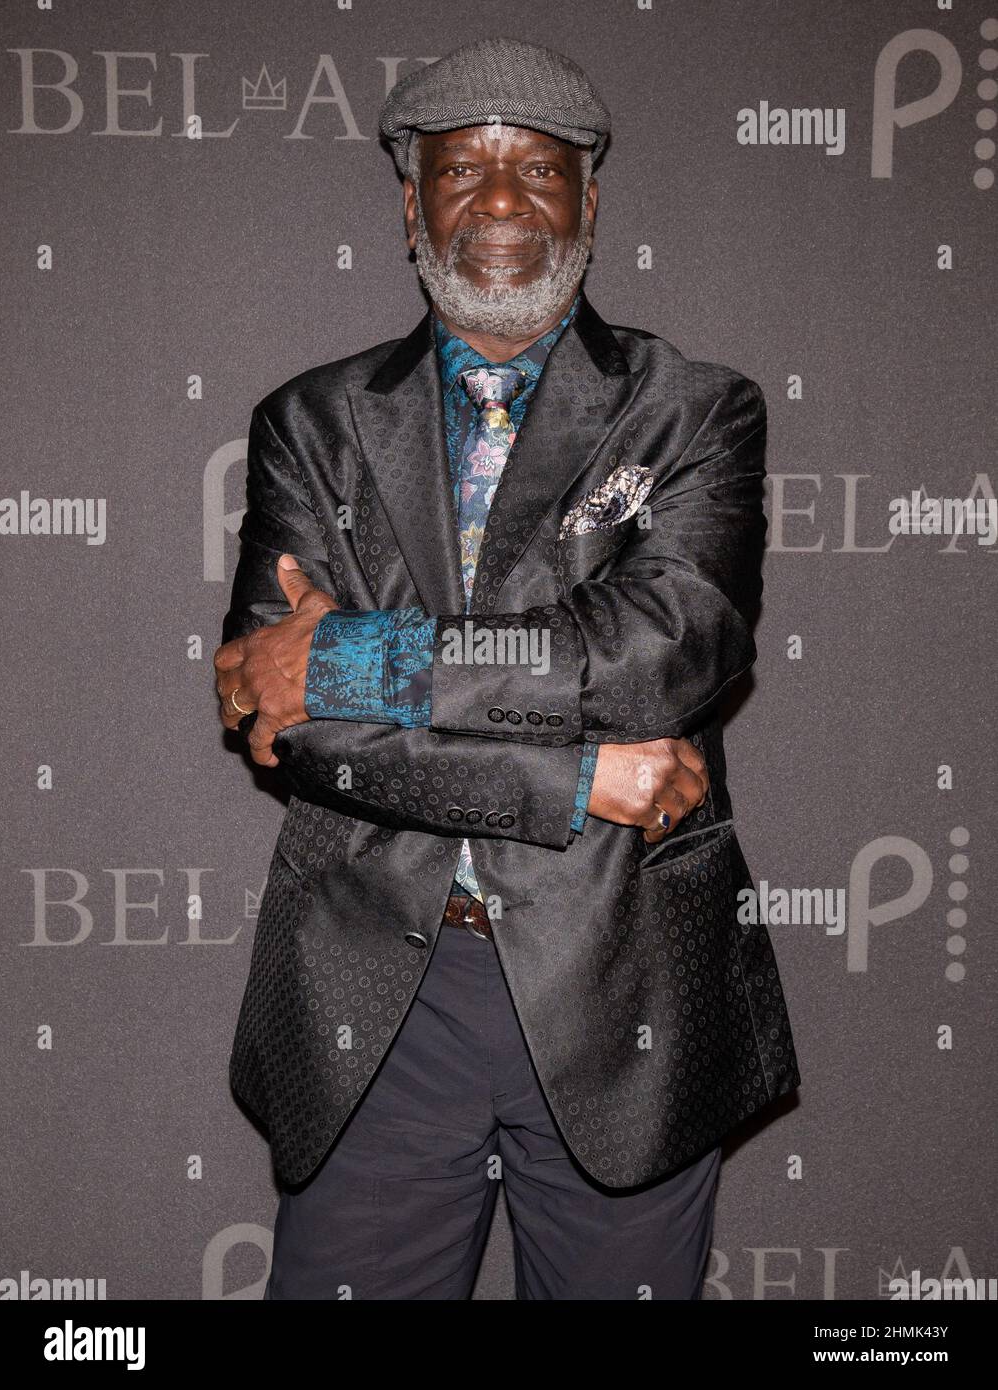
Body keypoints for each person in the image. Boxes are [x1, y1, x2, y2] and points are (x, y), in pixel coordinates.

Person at [213, 37, 800, 1301]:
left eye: (534, 168)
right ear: (407, 201)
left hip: (621, 983)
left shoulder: (695, 411)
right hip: (375, 990)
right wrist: (571, 780)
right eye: (458, 167)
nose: (495, 199)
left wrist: (359, 652)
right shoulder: (308, 425)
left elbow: (658, 649)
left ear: (588, 200)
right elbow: (294, 724)